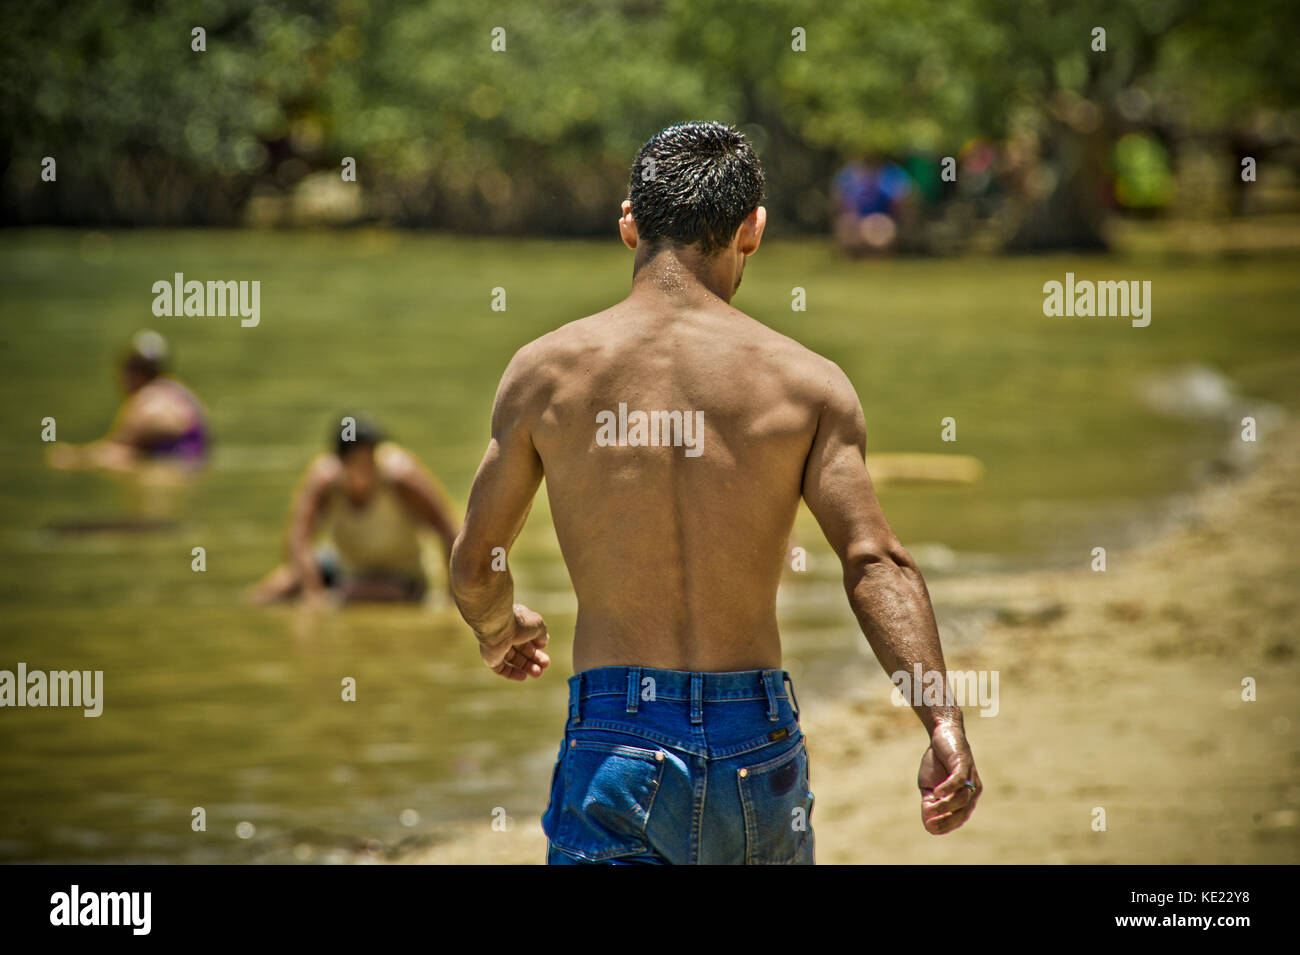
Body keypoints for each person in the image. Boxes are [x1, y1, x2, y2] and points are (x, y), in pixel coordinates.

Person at [450, 121, 981, 865]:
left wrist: (500, 629)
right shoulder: (807, 382)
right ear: (753, 230)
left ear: (629, 221)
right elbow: (875, 563)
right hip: (755, 743)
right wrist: (942, 719)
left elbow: (476, 566)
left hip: (617, 740)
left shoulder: (545, 372)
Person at [249, 417, 458, 606]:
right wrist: (312, 592)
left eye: (370, 461)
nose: (366, 470)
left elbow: (448, 529)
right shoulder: (324, 480)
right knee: (270, 591)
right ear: (340, 464)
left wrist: (453, 595)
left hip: (399, 576)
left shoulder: (400, 476)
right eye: (358, 463)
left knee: (355, 596)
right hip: (344, 567)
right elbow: (298, 539)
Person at [48, 330, 209, 472]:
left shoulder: (146, 401)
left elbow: (115, 449)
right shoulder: (183, 395)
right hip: (196, 468)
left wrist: (73, 457)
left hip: (164, 473)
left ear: (131, 373)